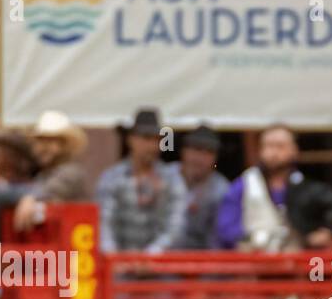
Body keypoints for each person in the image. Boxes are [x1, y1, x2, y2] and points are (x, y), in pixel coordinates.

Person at [215, 124, 332, 251]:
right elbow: (226, 226)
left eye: (280, 146)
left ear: (294, 149)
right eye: (269, 146)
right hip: (255, 261)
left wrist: (325, 231)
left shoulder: (306, 186)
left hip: (296, 263)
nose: (274, 152)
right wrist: (247, 240)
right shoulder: (246, 183)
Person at [96, 107, 186, 253]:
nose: (151, 146)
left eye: (156, 139)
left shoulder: (172, 180)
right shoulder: (112, 178)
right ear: (131, 139)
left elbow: (176, 228)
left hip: (160, 268)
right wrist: (114, 259)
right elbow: (103, 224)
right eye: (146, 138)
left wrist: (150, 256)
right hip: (118, 266)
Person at [12, 110, 89, 231]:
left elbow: (54, 188)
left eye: (51, 141)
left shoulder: (72, 172)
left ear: (64, 145)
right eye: (40, 141)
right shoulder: (43, 175)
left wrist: (30, 198)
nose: (43, 147)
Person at [177, 126, 229, 250]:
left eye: (208, 152)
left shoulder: (221, 189)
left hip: (202, 259)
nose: (200, 158)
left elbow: (217, 241)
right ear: (184, 151)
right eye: (196, 149)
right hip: (159, 258)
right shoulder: (165, 177)